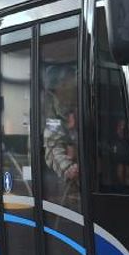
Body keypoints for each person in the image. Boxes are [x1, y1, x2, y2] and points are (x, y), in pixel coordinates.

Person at [43, 73, 80, 204]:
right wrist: (68, 168)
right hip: (58, 180)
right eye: (71, 84)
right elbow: (53, 147)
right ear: (61, 86)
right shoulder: (51, 110)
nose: (75, 87)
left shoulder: (72, 106)